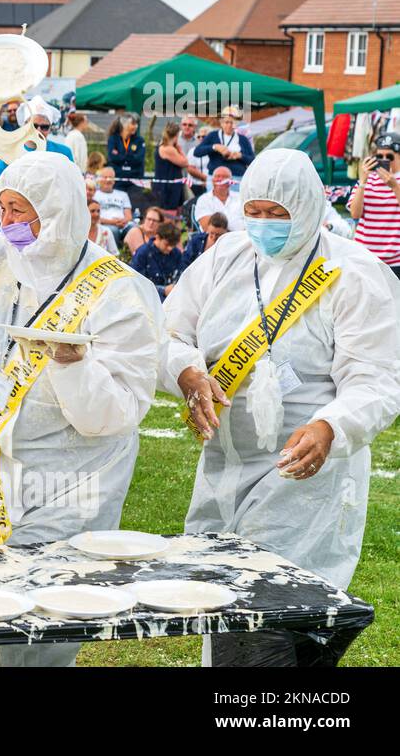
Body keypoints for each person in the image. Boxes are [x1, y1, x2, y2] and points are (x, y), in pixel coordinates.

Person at [163, 148, 400, 666]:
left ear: (310, 208)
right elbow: (169, 329)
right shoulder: (227, 257)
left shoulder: (353, 273)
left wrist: (333, 425)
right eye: (258, 212)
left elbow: (377, 377)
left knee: (269, 610)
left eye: (279, 214)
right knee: (224, 603)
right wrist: (185, 371)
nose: (266, 225)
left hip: (302, 473)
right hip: (225, 464)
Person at [0, 150, 164, 666]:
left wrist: (75, 365)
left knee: (42, 621)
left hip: (64, 484)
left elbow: (118, 412)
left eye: (20, 211)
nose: (6, 223)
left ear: (57, 211)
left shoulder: (121, 291)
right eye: (3, 209)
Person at [348, 133, 400, 279]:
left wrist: (395, 186)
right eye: (379, 157)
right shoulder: (367, 180)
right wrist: (363, 181)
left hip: (396, 261)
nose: (384, 161)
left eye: (389, 157)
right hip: (365, 257)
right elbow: (355, 214)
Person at [194, 106, 254, 182]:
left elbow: (252, 160)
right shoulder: (213, 136)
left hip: (236, 178)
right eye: (226, 122)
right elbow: (197, 152)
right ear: (221, 122)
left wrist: (240, 156)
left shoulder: (243, 139)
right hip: (216, 177)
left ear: (236, 123)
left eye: (232, 122)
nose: (229, 125)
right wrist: (215, 147)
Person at [129, 220, 183, 299]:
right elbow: (136, 283)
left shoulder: (176, 253)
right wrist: (162, 290)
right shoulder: (142, 253)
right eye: (167, 244)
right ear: (157, 237)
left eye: (173, 245)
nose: (170, 248)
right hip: (147, 298)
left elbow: (180, 275)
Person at [106, 114, 148, 210]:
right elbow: (112, 158)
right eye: (132, 124)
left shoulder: (139, 140)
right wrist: (131, 156)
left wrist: (121, 156)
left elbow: (139, 159)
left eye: (136, 124)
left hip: (135, 182)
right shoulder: (113, 139)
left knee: (135, 208)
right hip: (118, 181)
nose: (135, 126)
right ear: (124, 125)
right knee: (117, 208)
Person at [153, 122, 190, 213]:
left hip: (171, 186)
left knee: (176, 214)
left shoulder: (164, 147)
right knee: (169, 214)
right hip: (168, 188)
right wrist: (180, 150)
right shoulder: (168, 149)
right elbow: (185, 163)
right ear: (177, 134)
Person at [194, 166, 245, 231]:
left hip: (241, 237)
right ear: (212, 180)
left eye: (225, 177)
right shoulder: (203, 199)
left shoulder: (240, 197)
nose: (221, 179)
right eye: (217, 176)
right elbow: (206, 226)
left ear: (231, 180)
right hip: (216, 238)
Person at [93, 166, 134, 239]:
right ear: (100, 180)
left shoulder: (123, 195)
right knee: (112, 230)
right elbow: (94, 216)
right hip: (105, 225)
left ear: (114, 180)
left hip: (123, 224)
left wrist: (122, 221)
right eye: (105, 177)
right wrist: (112, 222)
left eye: (110, 177)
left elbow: (129, 216)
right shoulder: (94, 195)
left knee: (134, 228)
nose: (108, 180)